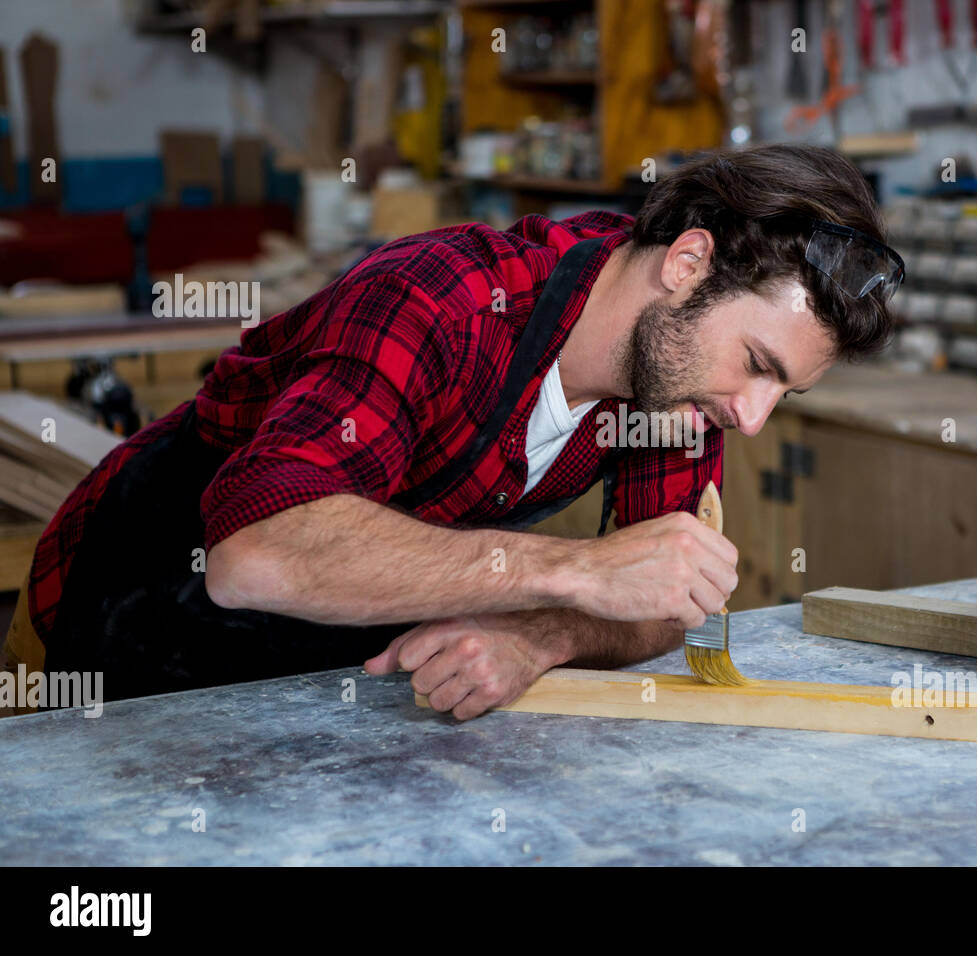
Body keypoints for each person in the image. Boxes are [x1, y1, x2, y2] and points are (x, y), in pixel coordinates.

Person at [1, 143, 903, 720]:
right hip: (114, 617)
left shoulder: (675, 385)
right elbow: (252, 556)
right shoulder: (440, 300)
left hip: (310, 662)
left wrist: (537, 639)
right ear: (688, 263)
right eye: (757, 364)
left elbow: (658, 599)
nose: (750, 418)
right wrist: (574, 572)